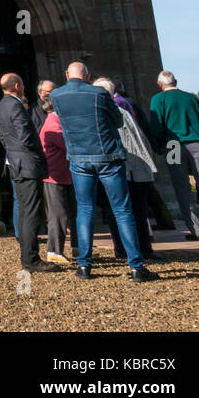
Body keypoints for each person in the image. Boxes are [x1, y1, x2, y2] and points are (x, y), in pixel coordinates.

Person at [49, 62, 156, 282]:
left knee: (84, 210)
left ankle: (84, 266)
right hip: (108, 156)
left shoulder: (57, 95)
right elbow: (118, 121)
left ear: (67, 74)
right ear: (87, 76)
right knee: (122, 210)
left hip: (79, 158)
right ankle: (136, 267)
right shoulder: (98, 92)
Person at [149, 71, 199, 241]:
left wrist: (158, 147)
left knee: (181, 186)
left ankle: (197, 231)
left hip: (173, 145)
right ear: (176, 81)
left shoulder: (158, 100)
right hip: (197, 143)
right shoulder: (191, 98)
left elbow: (156, 126)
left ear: (160, 85)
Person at [0, 72, 59, 272]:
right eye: (21, 83)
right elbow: (25, 135)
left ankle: (27, 257)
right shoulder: (15, 106)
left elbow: (3, 137)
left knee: (24, 212)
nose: (24, 86)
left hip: (15, 163)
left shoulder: (1, 106)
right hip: (27, 164)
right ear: (16, 86)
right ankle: (31, 259)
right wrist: (37, 154)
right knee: (31, 212)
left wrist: (14, 154)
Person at [95, 77, 160, 261]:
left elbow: (136, 140)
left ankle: (127, 249)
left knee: (123, 211)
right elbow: (140, 139)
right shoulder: (120, 110)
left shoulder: (118, 111)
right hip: (126, 169)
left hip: (121, 169)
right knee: (132, 210)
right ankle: (137, 249)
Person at [38, 86, 76, 264]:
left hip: (62, 174)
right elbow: (68, 145)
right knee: (58, 214)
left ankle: (74, 248)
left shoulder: (56, 121)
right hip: (55, 176)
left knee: (67, 212)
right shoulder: (54, 122)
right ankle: (54, 250)